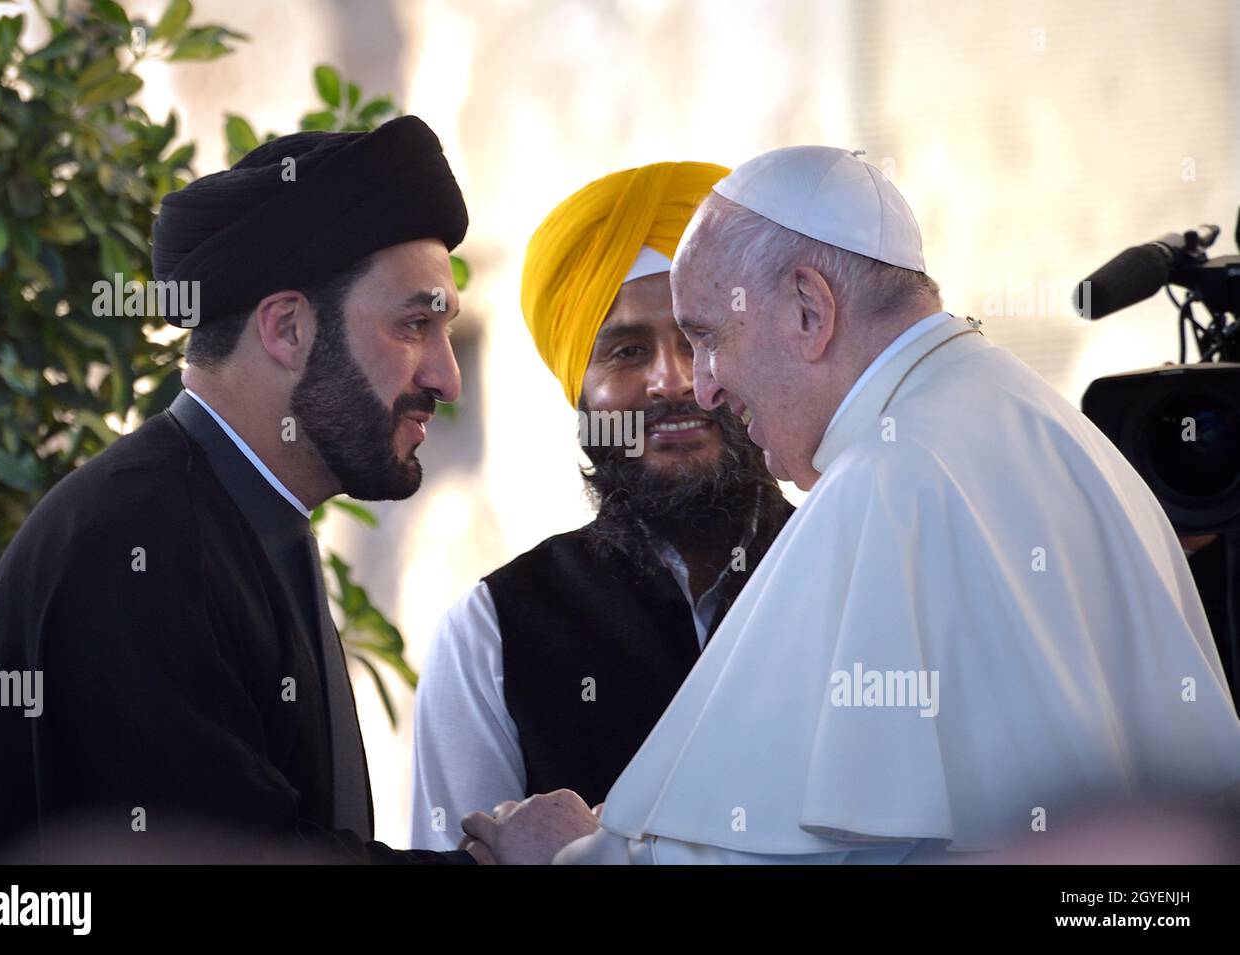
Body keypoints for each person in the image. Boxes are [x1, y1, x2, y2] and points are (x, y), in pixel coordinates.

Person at [462, 145, 1240, 864]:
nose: (701, 387)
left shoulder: (884, 485)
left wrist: (568, 855)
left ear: (809, 307)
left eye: (706, 337)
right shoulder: (1051, 424)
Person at [0, 117, 483, 863]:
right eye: (415, 324)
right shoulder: (141, 540)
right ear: (287, 329)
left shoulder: (234, 514)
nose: (445, 378)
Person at [409, 163, 793, 850]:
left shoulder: (863, 568)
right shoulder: (492, 634)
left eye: (701, 339)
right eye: (626, 350)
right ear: (579, 390)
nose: (673, 382)